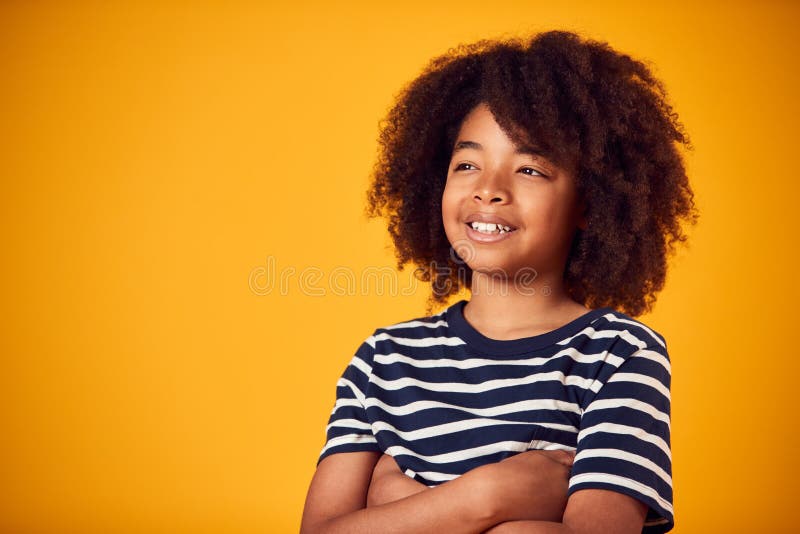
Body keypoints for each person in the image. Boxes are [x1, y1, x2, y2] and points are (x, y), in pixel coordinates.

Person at [300, 30, 698, 534]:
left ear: (588, 203)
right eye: (467, 164)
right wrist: (488, 499)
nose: (489, 190)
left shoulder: (618, 354)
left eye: (530, 169)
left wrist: (396, 506)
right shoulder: (384, 359)